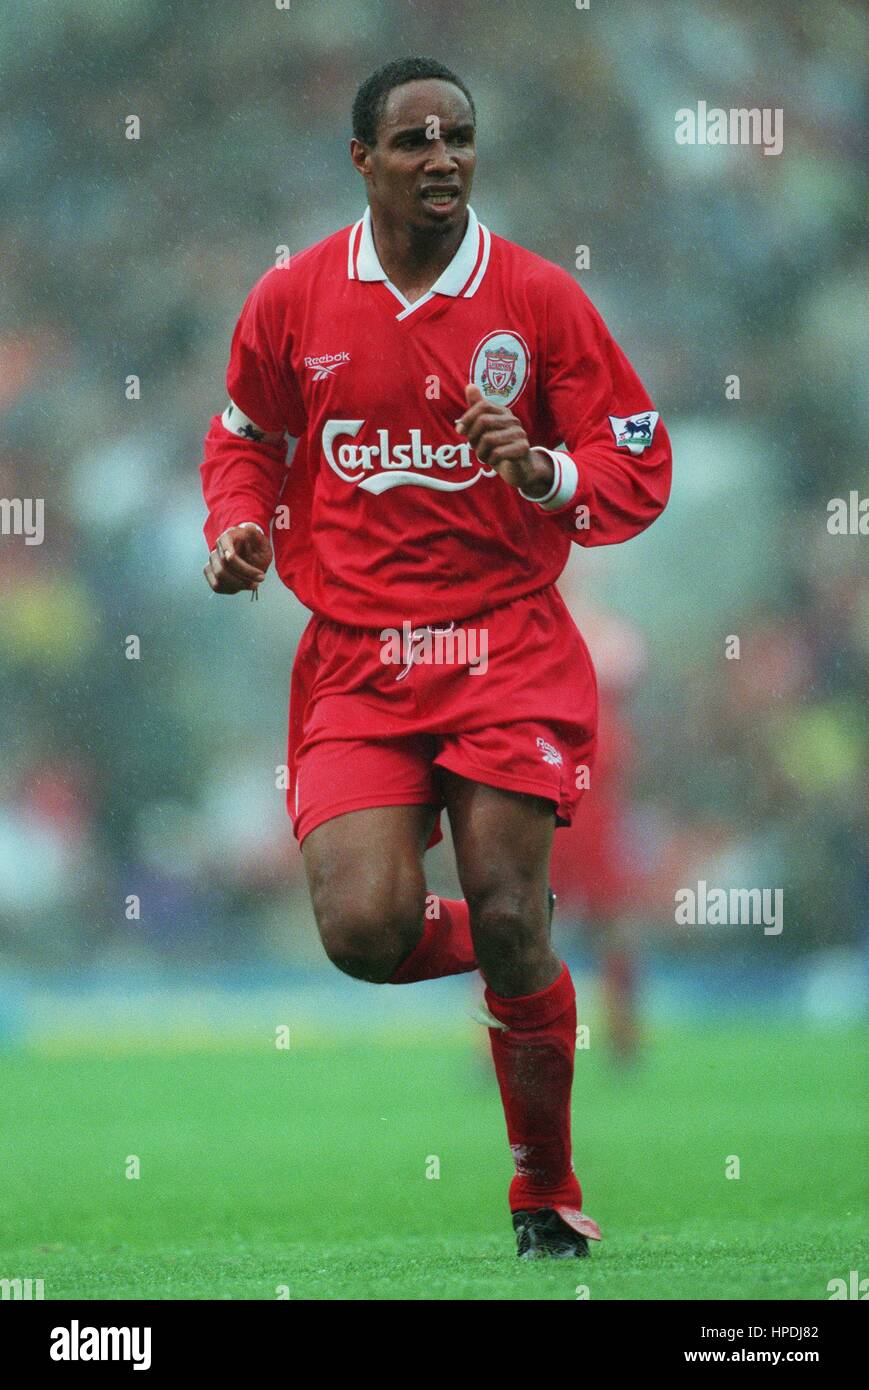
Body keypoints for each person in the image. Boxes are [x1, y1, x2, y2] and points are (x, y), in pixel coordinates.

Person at [200, 56, 671, 1259]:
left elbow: (635, 459)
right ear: (361, 160)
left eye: (456, 137)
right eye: (411, 141)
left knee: (510, 899)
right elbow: (244, 437)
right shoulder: (294, 298)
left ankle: (544, 1195)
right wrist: (236, 527)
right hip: (358, 654)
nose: (440, 158)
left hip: (503, 639)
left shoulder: (538, 299)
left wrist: (542, 471)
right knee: (364, 929)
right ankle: (523, 951)